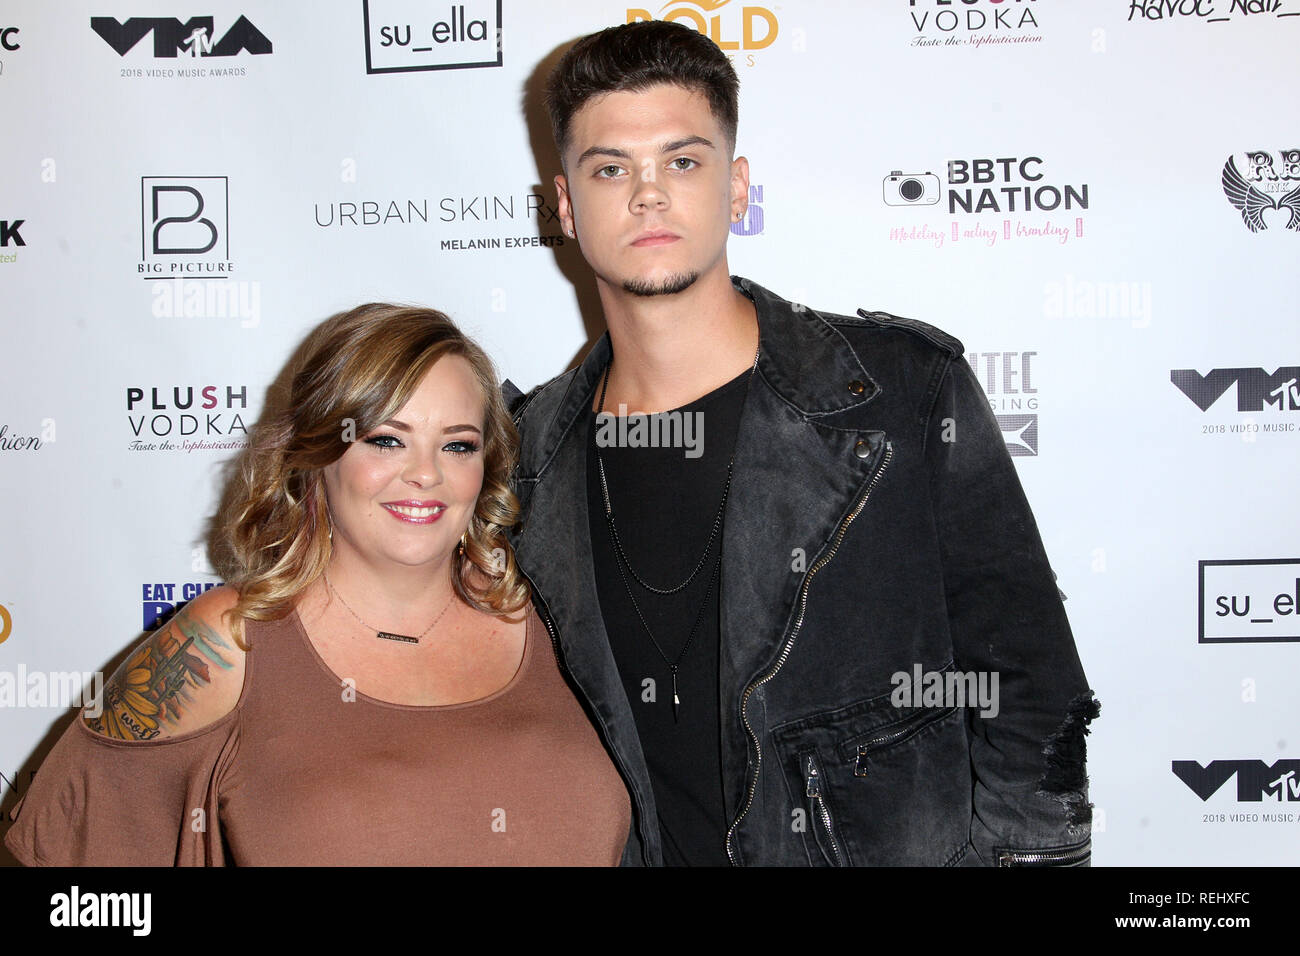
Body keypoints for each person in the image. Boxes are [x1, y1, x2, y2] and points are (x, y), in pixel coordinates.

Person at [504, 20, 1099, 866]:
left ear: (736, 187)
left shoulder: (895, 394)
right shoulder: (534, 453)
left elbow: (1027, 686)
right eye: (610, 168)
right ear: (564, 204)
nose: (648, 194)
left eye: (683, 160)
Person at [5, 304, 630, 866]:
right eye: (387, 439)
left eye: (458, 446)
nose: (425, 475)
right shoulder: (227, 645)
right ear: (317, 455)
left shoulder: (561, 621)